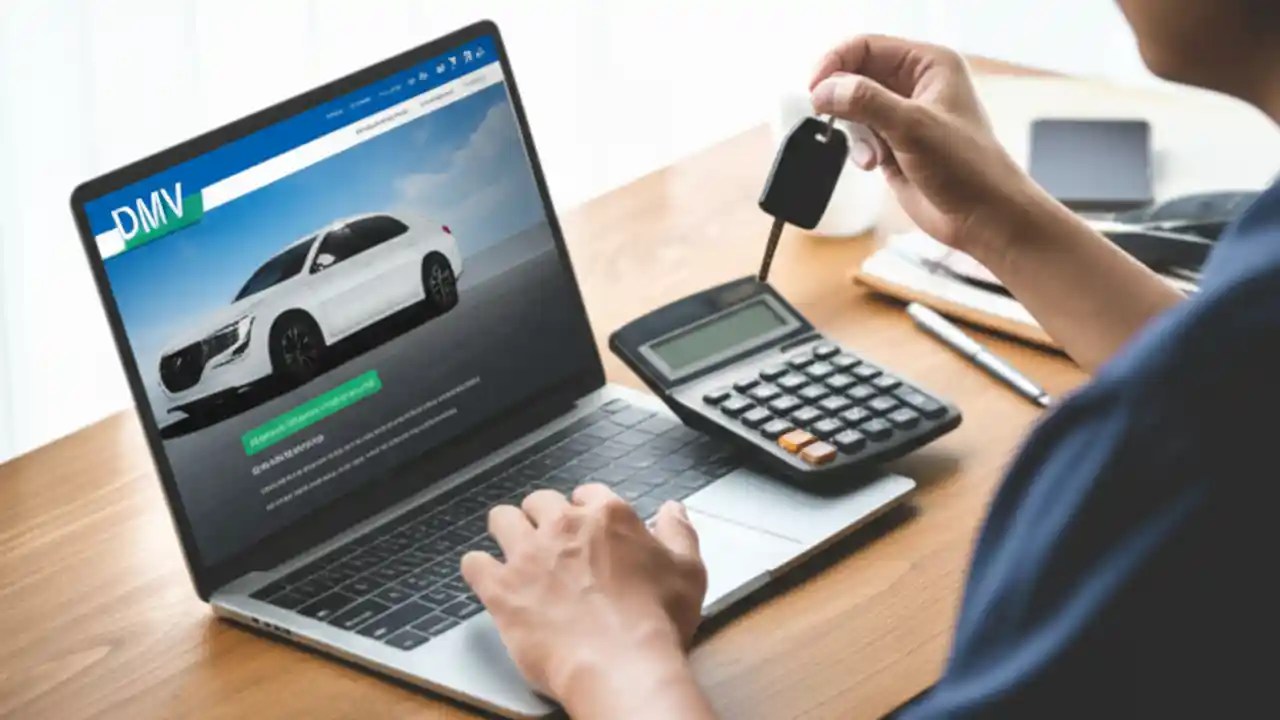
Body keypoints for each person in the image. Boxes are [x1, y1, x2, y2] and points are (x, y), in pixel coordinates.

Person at [461, 2, 1279, 717]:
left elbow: (1225, 411)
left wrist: (613, 657)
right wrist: (997, 217)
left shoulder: (1167, 461)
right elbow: (1244, 392)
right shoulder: (1235, 340)